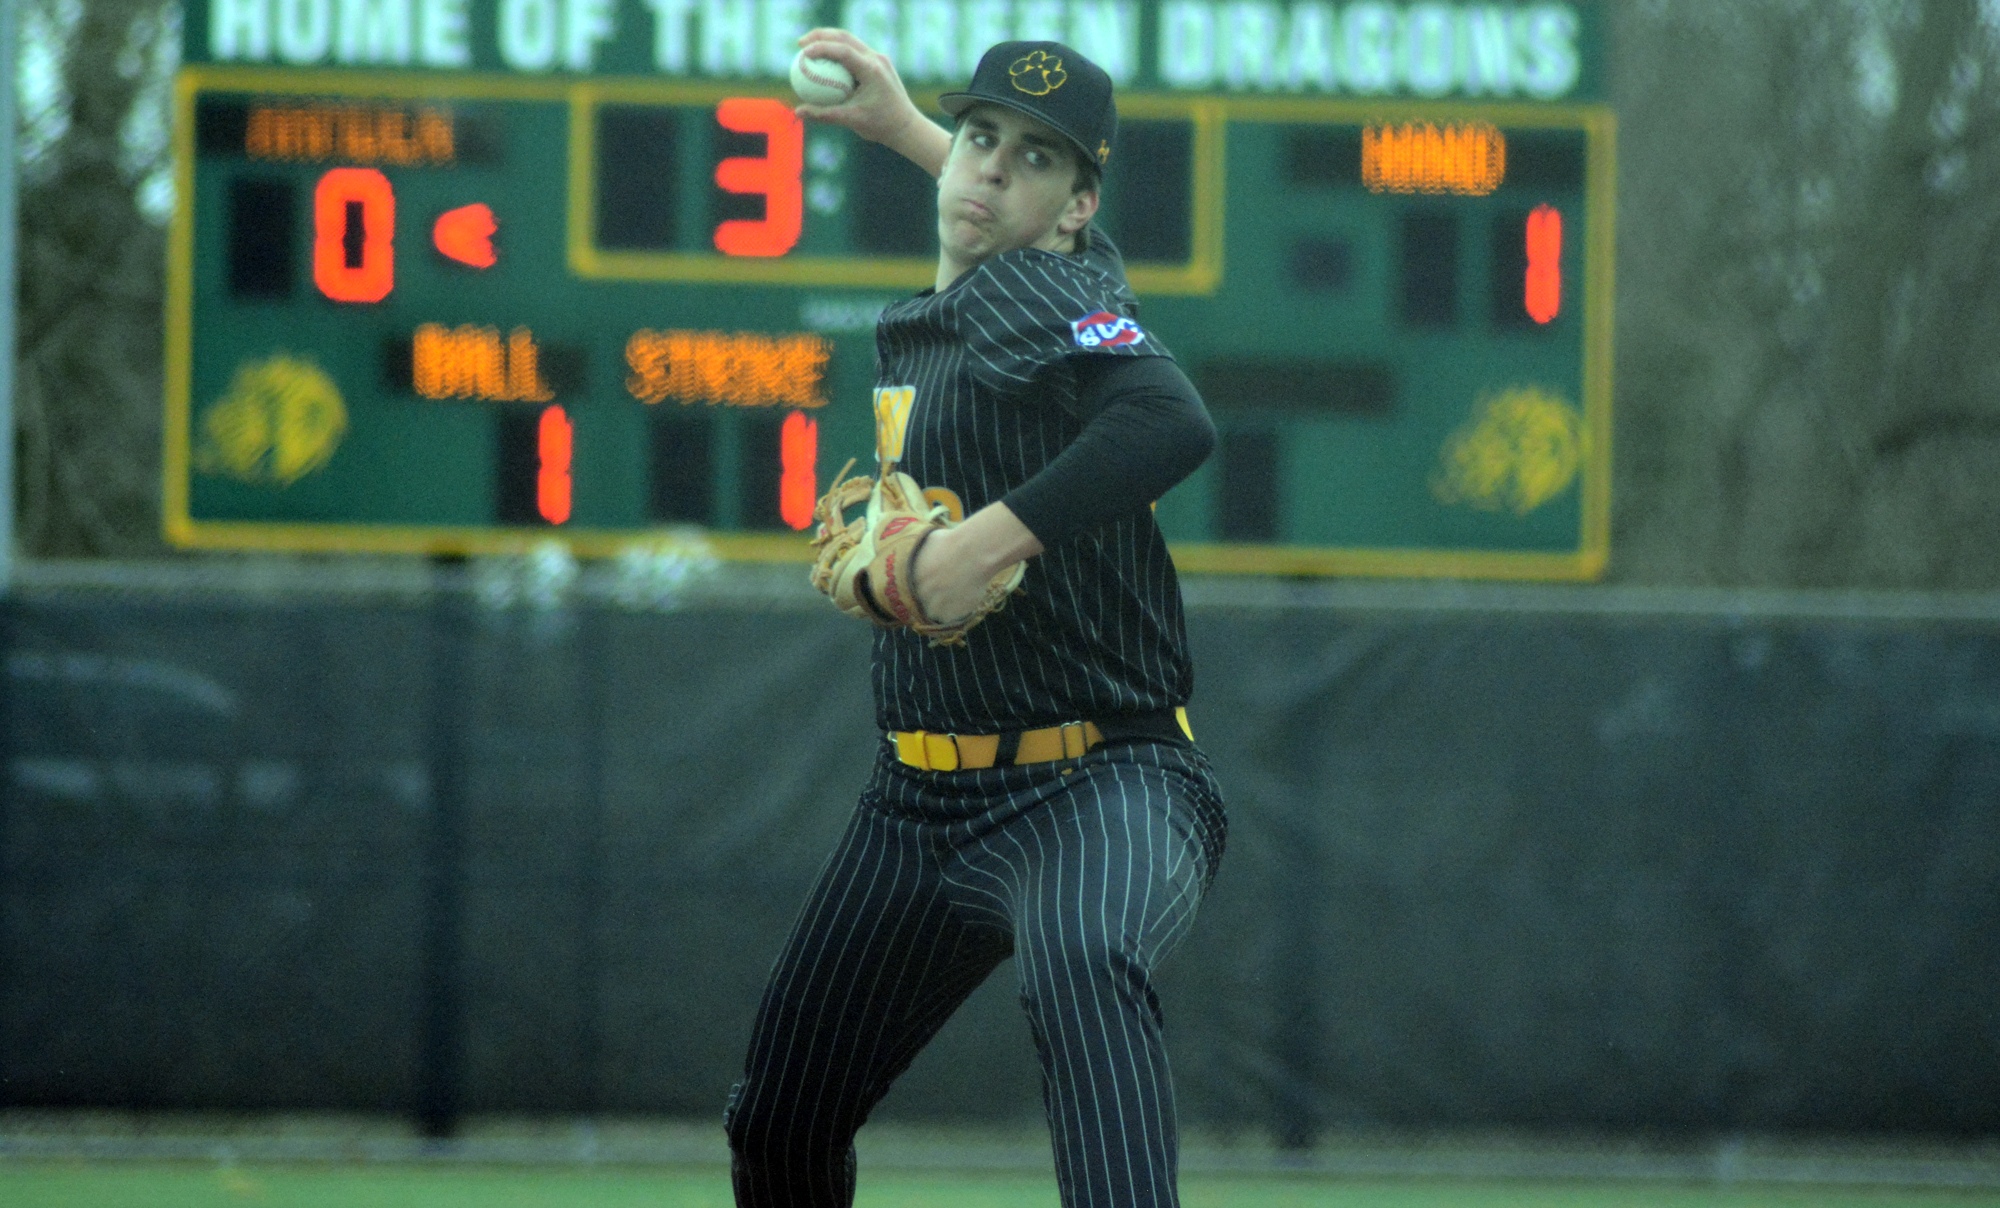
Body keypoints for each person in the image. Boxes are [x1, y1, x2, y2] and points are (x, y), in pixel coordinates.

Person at [724, 31, 1227, 1208]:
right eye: (983, 139)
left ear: (1075, 207)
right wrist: (907, 129)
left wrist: (974, 545)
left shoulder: (1033, 292)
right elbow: (991, 204)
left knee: (1085, 960)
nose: (990, 170)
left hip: (1101, 781)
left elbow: (1169, 419)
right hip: (919, 802)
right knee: (780, 1119)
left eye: (1034, 160)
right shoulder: (1026, 277)